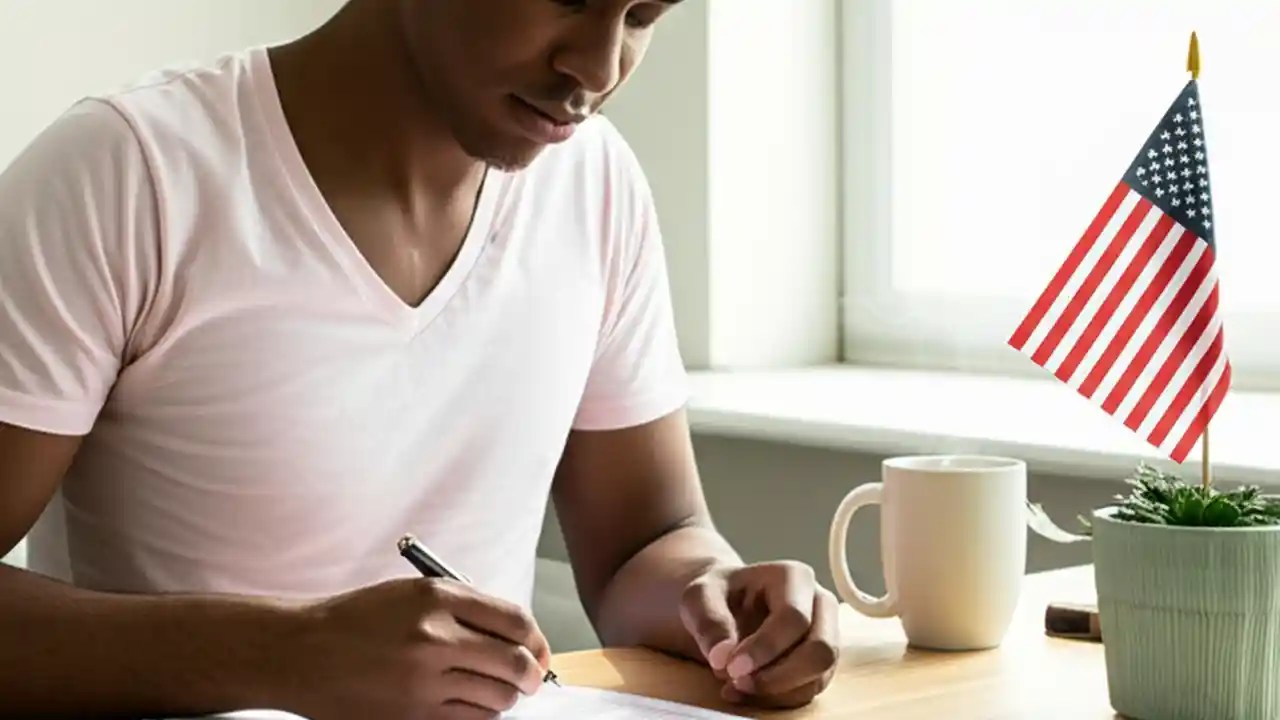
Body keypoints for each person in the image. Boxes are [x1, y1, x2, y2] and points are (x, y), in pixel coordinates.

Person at [0, 1, 840, 718]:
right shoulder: (129, 175)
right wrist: (285, 653)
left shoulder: (596, 184)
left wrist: (715, 599)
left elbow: (643, 543)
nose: (598, 67)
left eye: (644, 15)